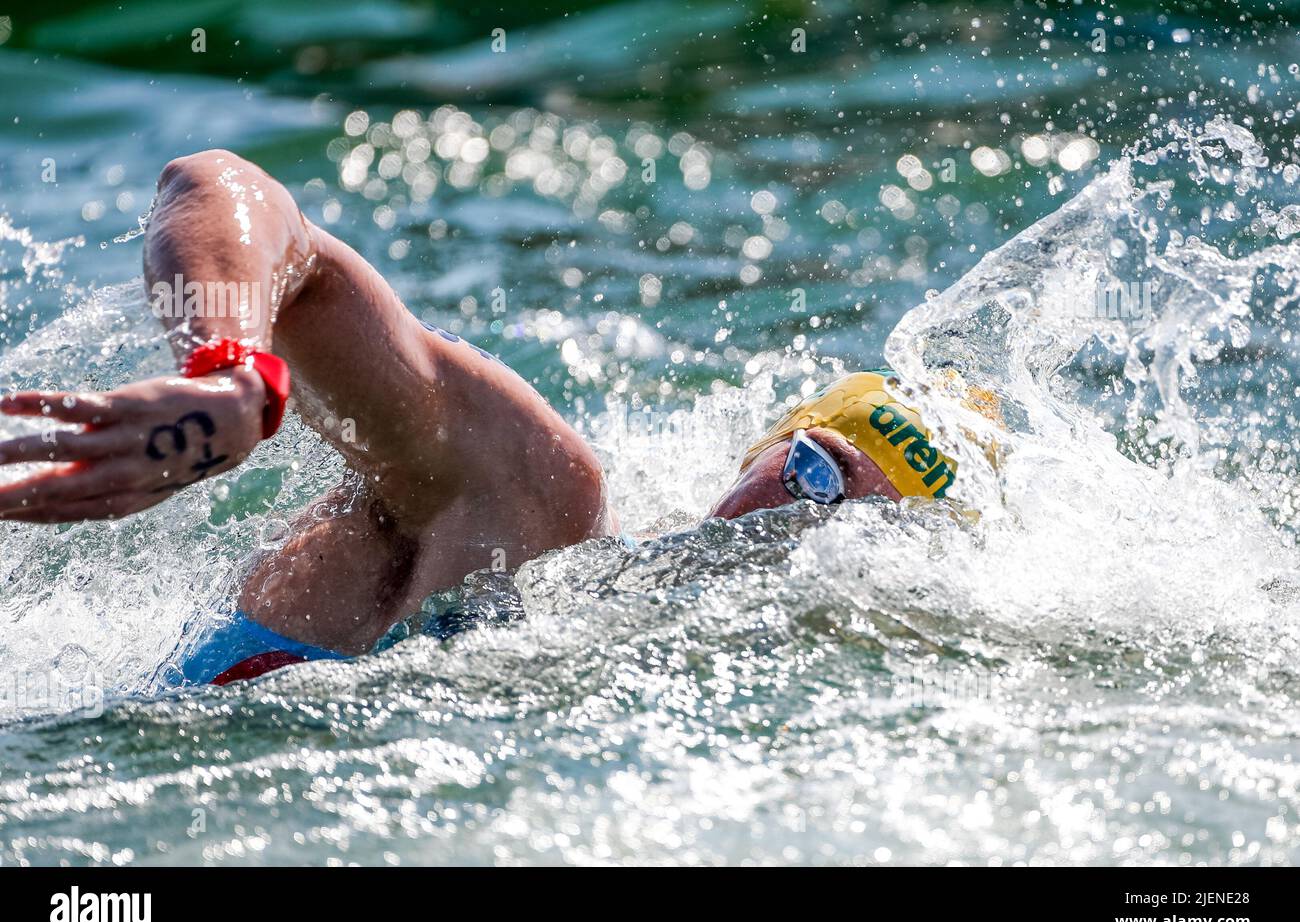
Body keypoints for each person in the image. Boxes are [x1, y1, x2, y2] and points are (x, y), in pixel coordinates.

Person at [0, 150, 961, 685]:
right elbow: (225, 187)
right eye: (815, 472)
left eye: (863, 530)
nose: (803, 531)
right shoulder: (531, 513)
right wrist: (227, 374)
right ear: (761, 448)